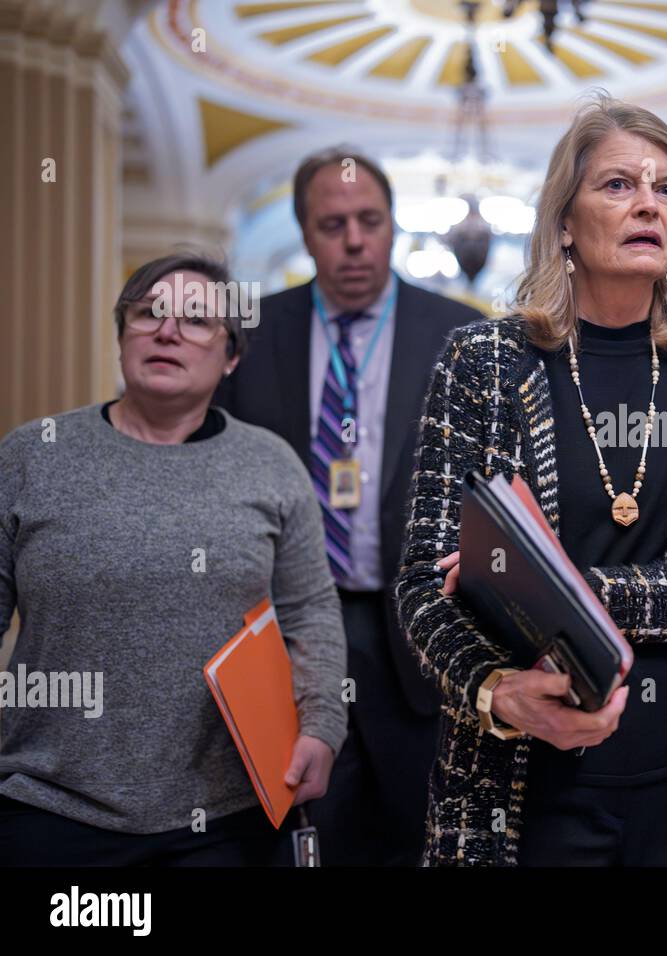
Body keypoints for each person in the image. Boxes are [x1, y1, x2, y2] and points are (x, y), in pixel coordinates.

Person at [396, 94, 667, 866]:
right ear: (564, 222)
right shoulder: (482, 364)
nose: (647, 202)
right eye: (618, 185)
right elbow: (424, 583)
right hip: (520, 781)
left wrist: (578, 596)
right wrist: (493, 691)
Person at [0, 253, 346, 865]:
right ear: (121, 336)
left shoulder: (270, 464)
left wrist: (321, 723)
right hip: (46, 810)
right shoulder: (33, 456)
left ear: (230, 355)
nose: (167, 331)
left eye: (196, 321)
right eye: (149, 314)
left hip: (222, 822)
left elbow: (310, 612)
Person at [214, 147, 480, 866]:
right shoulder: (252, 334)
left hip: (419, 633)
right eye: (333, 224)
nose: (354, 240)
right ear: (305, 233)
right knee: (303, 835)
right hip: (290, 632)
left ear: (393, 225)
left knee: (416, 835)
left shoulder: (461, 334)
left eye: (370, 220)